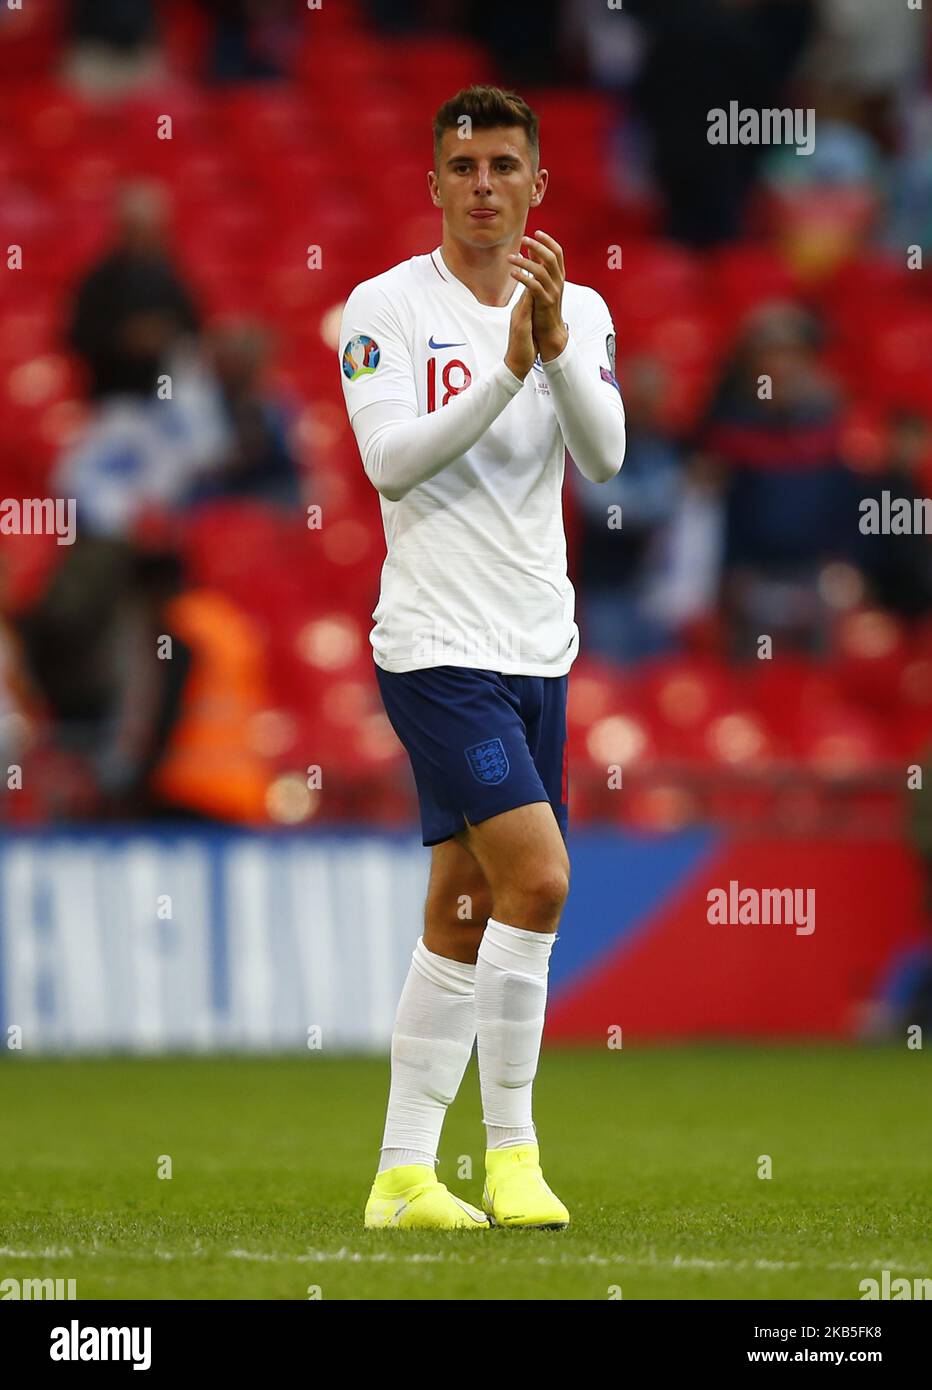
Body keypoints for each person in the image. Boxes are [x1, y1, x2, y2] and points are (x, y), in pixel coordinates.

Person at [339, 85, 626, 1231]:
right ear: (433, 184)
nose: (482, 187)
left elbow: (602, 461)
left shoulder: (582, 309)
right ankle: (512, 1152)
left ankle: (403, 1173)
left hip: (534, 643)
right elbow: (388, 464)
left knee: (462, 905)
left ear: (536, 185)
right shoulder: (385, 307)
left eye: (503, 166)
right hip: (433, 645)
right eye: (461, 167)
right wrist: (507, 369)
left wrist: (551, 350)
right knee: (540, 879)